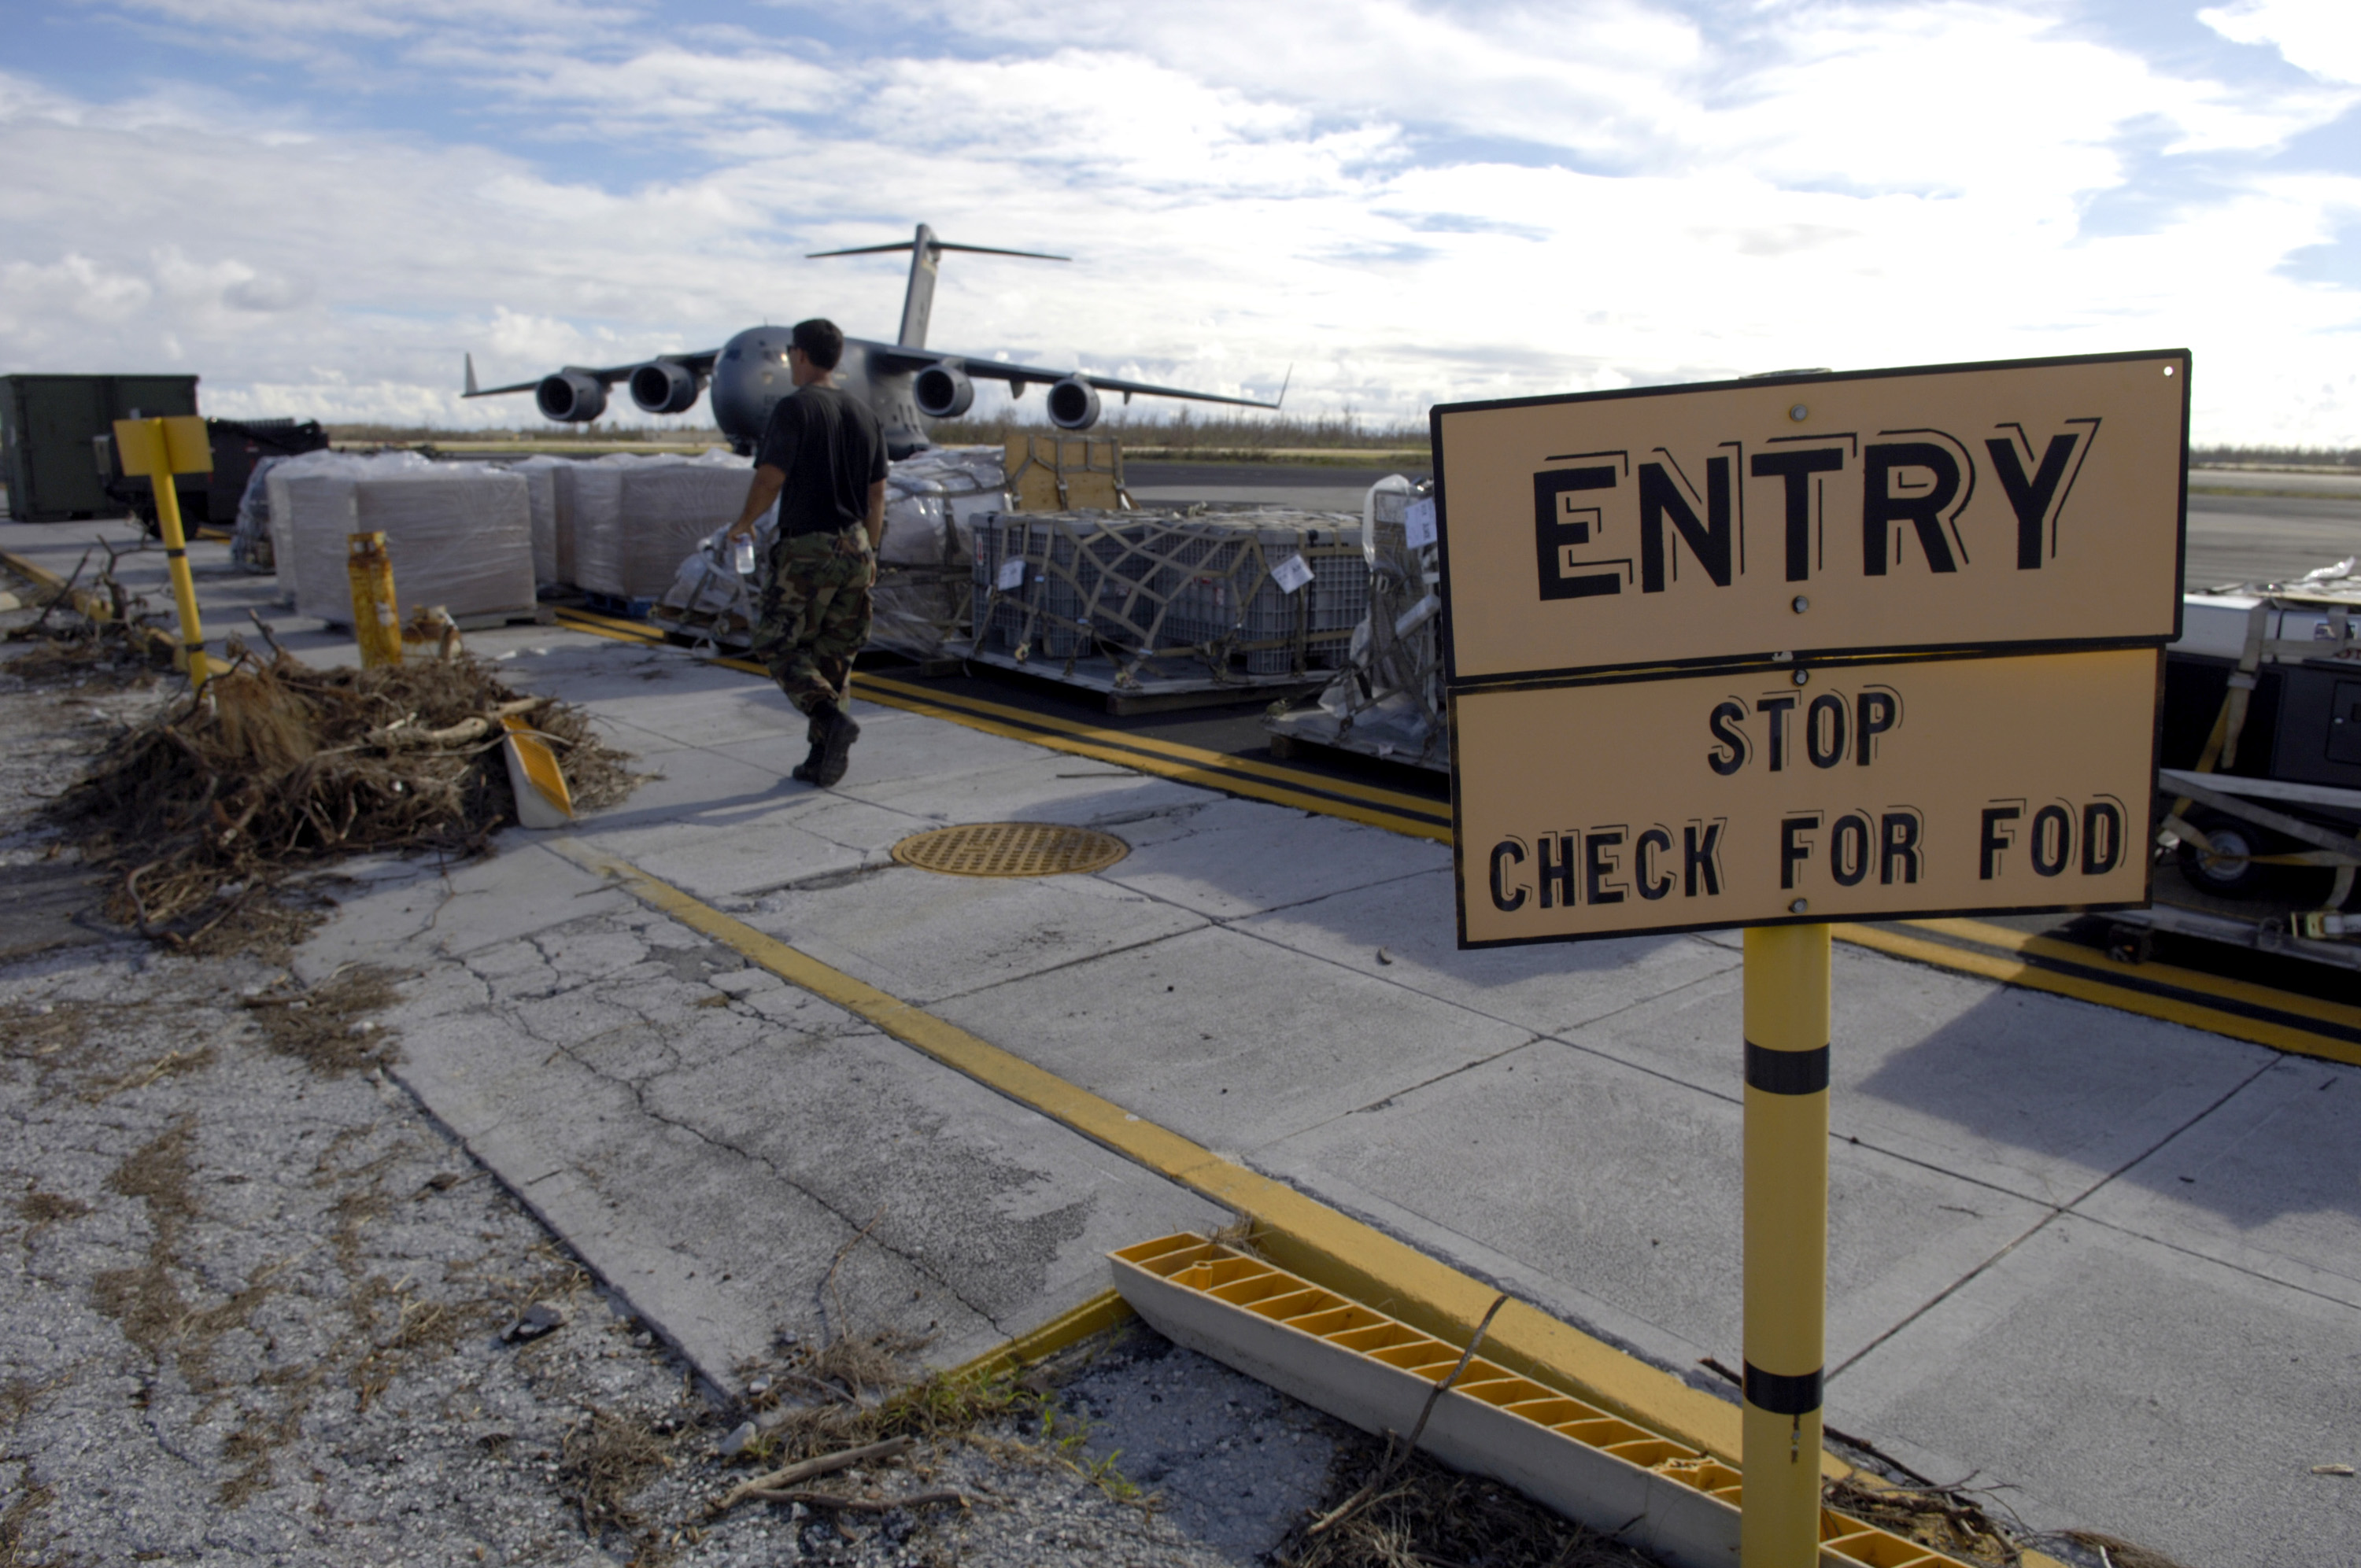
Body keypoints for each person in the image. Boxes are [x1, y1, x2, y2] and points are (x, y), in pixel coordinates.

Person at [723, 319, 888, 787]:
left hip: (809, 547)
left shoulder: (795, 409)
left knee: (775, 641)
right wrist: (872, 553)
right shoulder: (864, 414)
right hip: (856, 546)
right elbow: (877, 495)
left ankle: (829, 720)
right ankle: (822, 757)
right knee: (835, 654)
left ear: (800, 355)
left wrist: (744, 523)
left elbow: (770, 478)